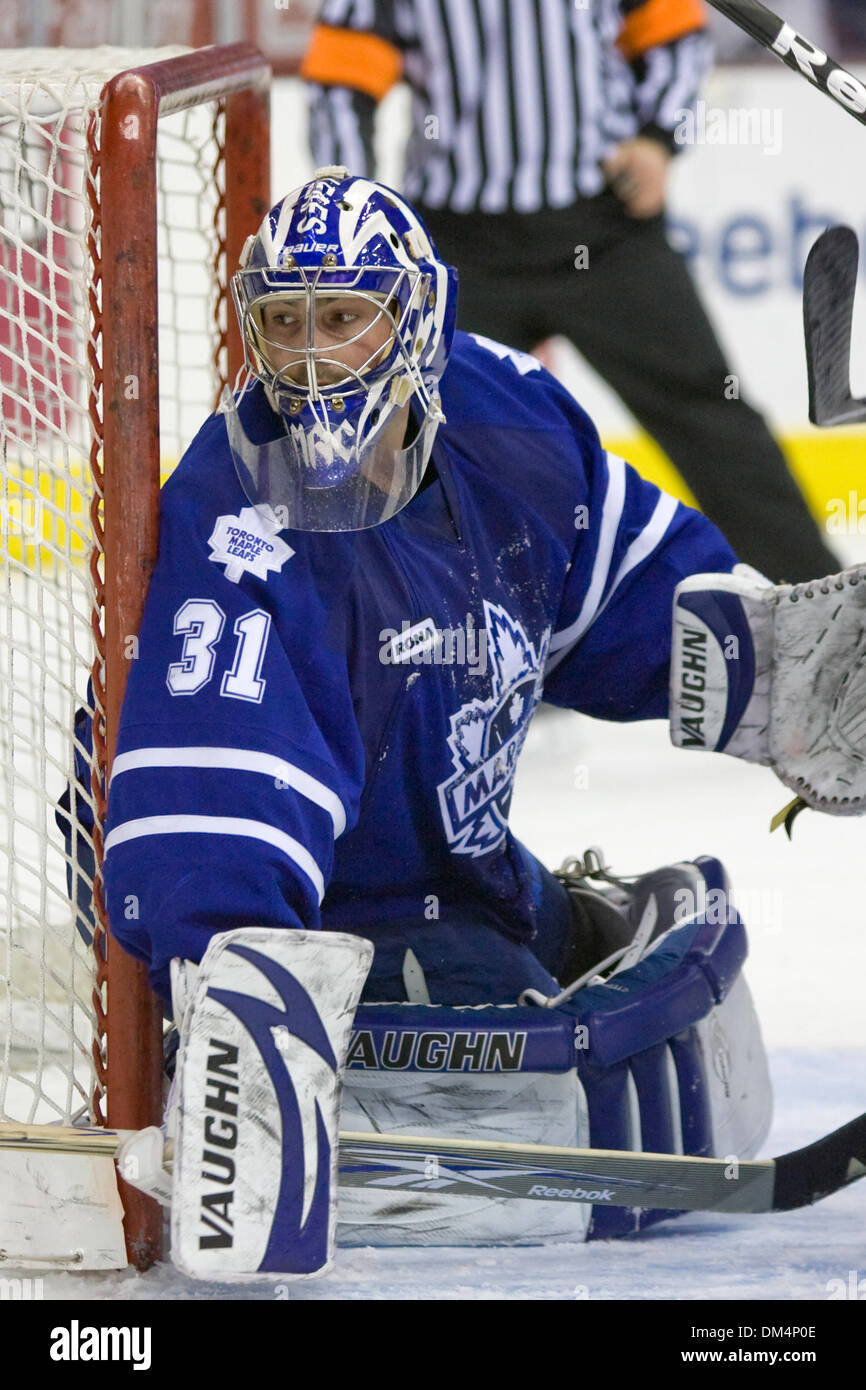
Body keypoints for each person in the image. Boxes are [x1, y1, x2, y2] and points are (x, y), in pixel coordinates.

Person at [99, 169, 861, 1277]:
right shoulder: (245, 537)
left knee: (595, 932)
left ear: (418, 322)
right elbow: (206, 823)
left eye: (344, 319)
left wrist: (797, 675)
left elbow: (632, 595)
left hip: (456, 863)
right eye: (284, 322)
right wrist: (244, 1075)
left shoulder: (502, 412)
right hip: (347, 918)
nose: (310, 359)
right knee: (505, 989)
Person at [301, 0, 839, 584]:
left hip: (603, 226)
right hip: (458, 247)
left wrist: (659, 136)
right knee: (411, 443)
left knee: (712, 416)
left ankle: (812, 596)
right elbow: (341, 80)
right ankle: (398, 630)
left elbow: (672, 31)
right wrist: (352, 215)